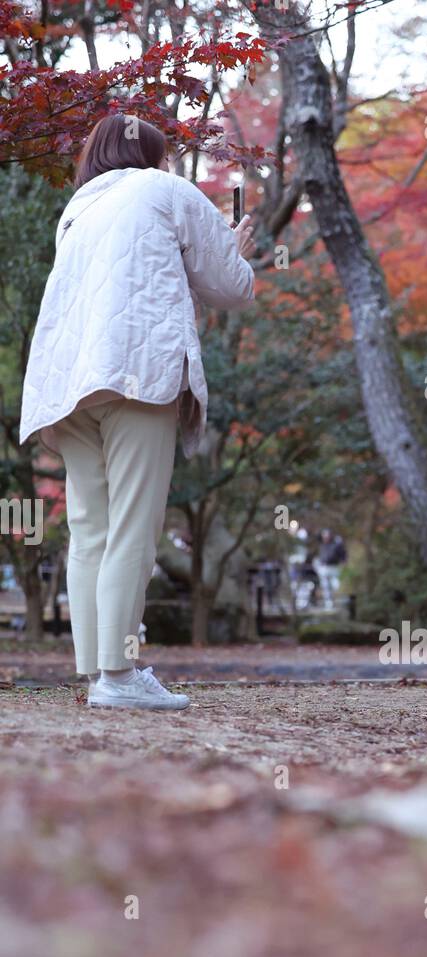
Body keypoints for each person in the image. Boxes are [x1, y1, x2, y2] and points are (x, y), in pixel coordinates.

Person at [19, 113, 255, 710]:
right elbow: (229, 287)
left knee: (91, 528)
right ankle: (119, 678)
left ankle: (101, 674)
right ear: (154, 156)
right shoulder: (164, 189)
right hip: (137, 372)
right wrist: (237, 251)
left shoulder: (75, 212)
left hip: (68, 384)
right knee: (133, 526)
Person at [315, 528, 347, 609]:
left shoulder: (336, 544)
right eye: (324, 536)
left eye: (327, 536)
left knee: (336, 585)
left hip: (334, 567)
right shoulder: (322, 545)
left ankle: (341, 602)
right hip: (324, 568)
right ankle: (329, 605)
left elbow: (343, 554)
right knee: (325, 587)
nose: (325, 538)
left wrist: (343, 561)